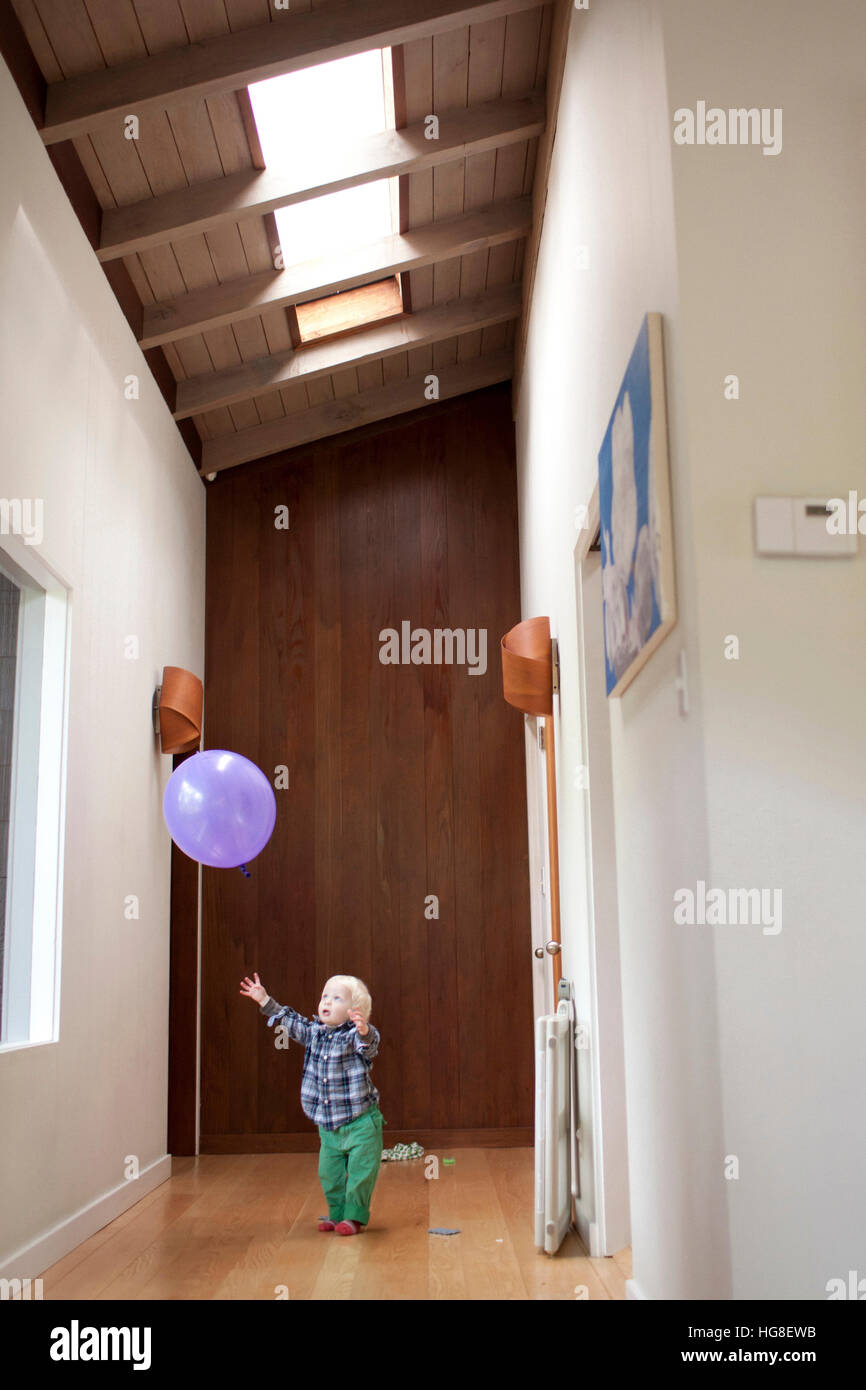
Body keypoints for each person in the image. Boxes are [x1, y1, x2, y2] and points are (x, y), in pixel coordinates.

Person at [239, 972, 384, 1235]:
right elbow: (291, 1022)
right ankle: (337, 1214)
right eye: (324, 996)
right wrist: (264, 1000)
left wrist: (364, 1031)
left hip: (361, 1122)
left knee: (361, 1173)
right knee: (329, 1174)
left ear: (355, 1011)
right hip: (328, 1126)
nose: (327, 1001)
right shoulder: (314, 1033)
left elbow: (370, 1046)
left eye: (337, 998)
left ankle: (354, 1217)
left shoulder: (354, 1037)